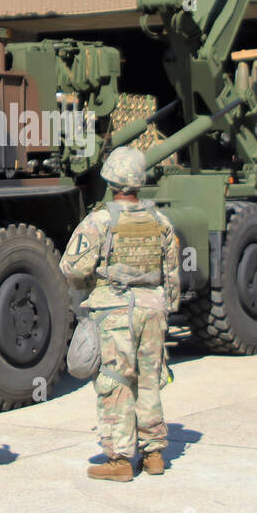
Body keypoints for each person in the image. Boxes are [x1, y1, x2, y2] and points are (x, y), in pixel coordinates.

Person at [59, 147, 180, 481]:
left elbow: (71, 266)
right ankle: (154, 453)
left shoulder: (99, 221)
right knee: (150, 378)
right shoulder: (161, 221)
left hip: (115, 312)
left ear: (110, 180)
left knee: (115, 382)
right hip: (153, 309)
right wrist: (165, 307)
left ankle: (121, 460)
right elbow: (171, 275)